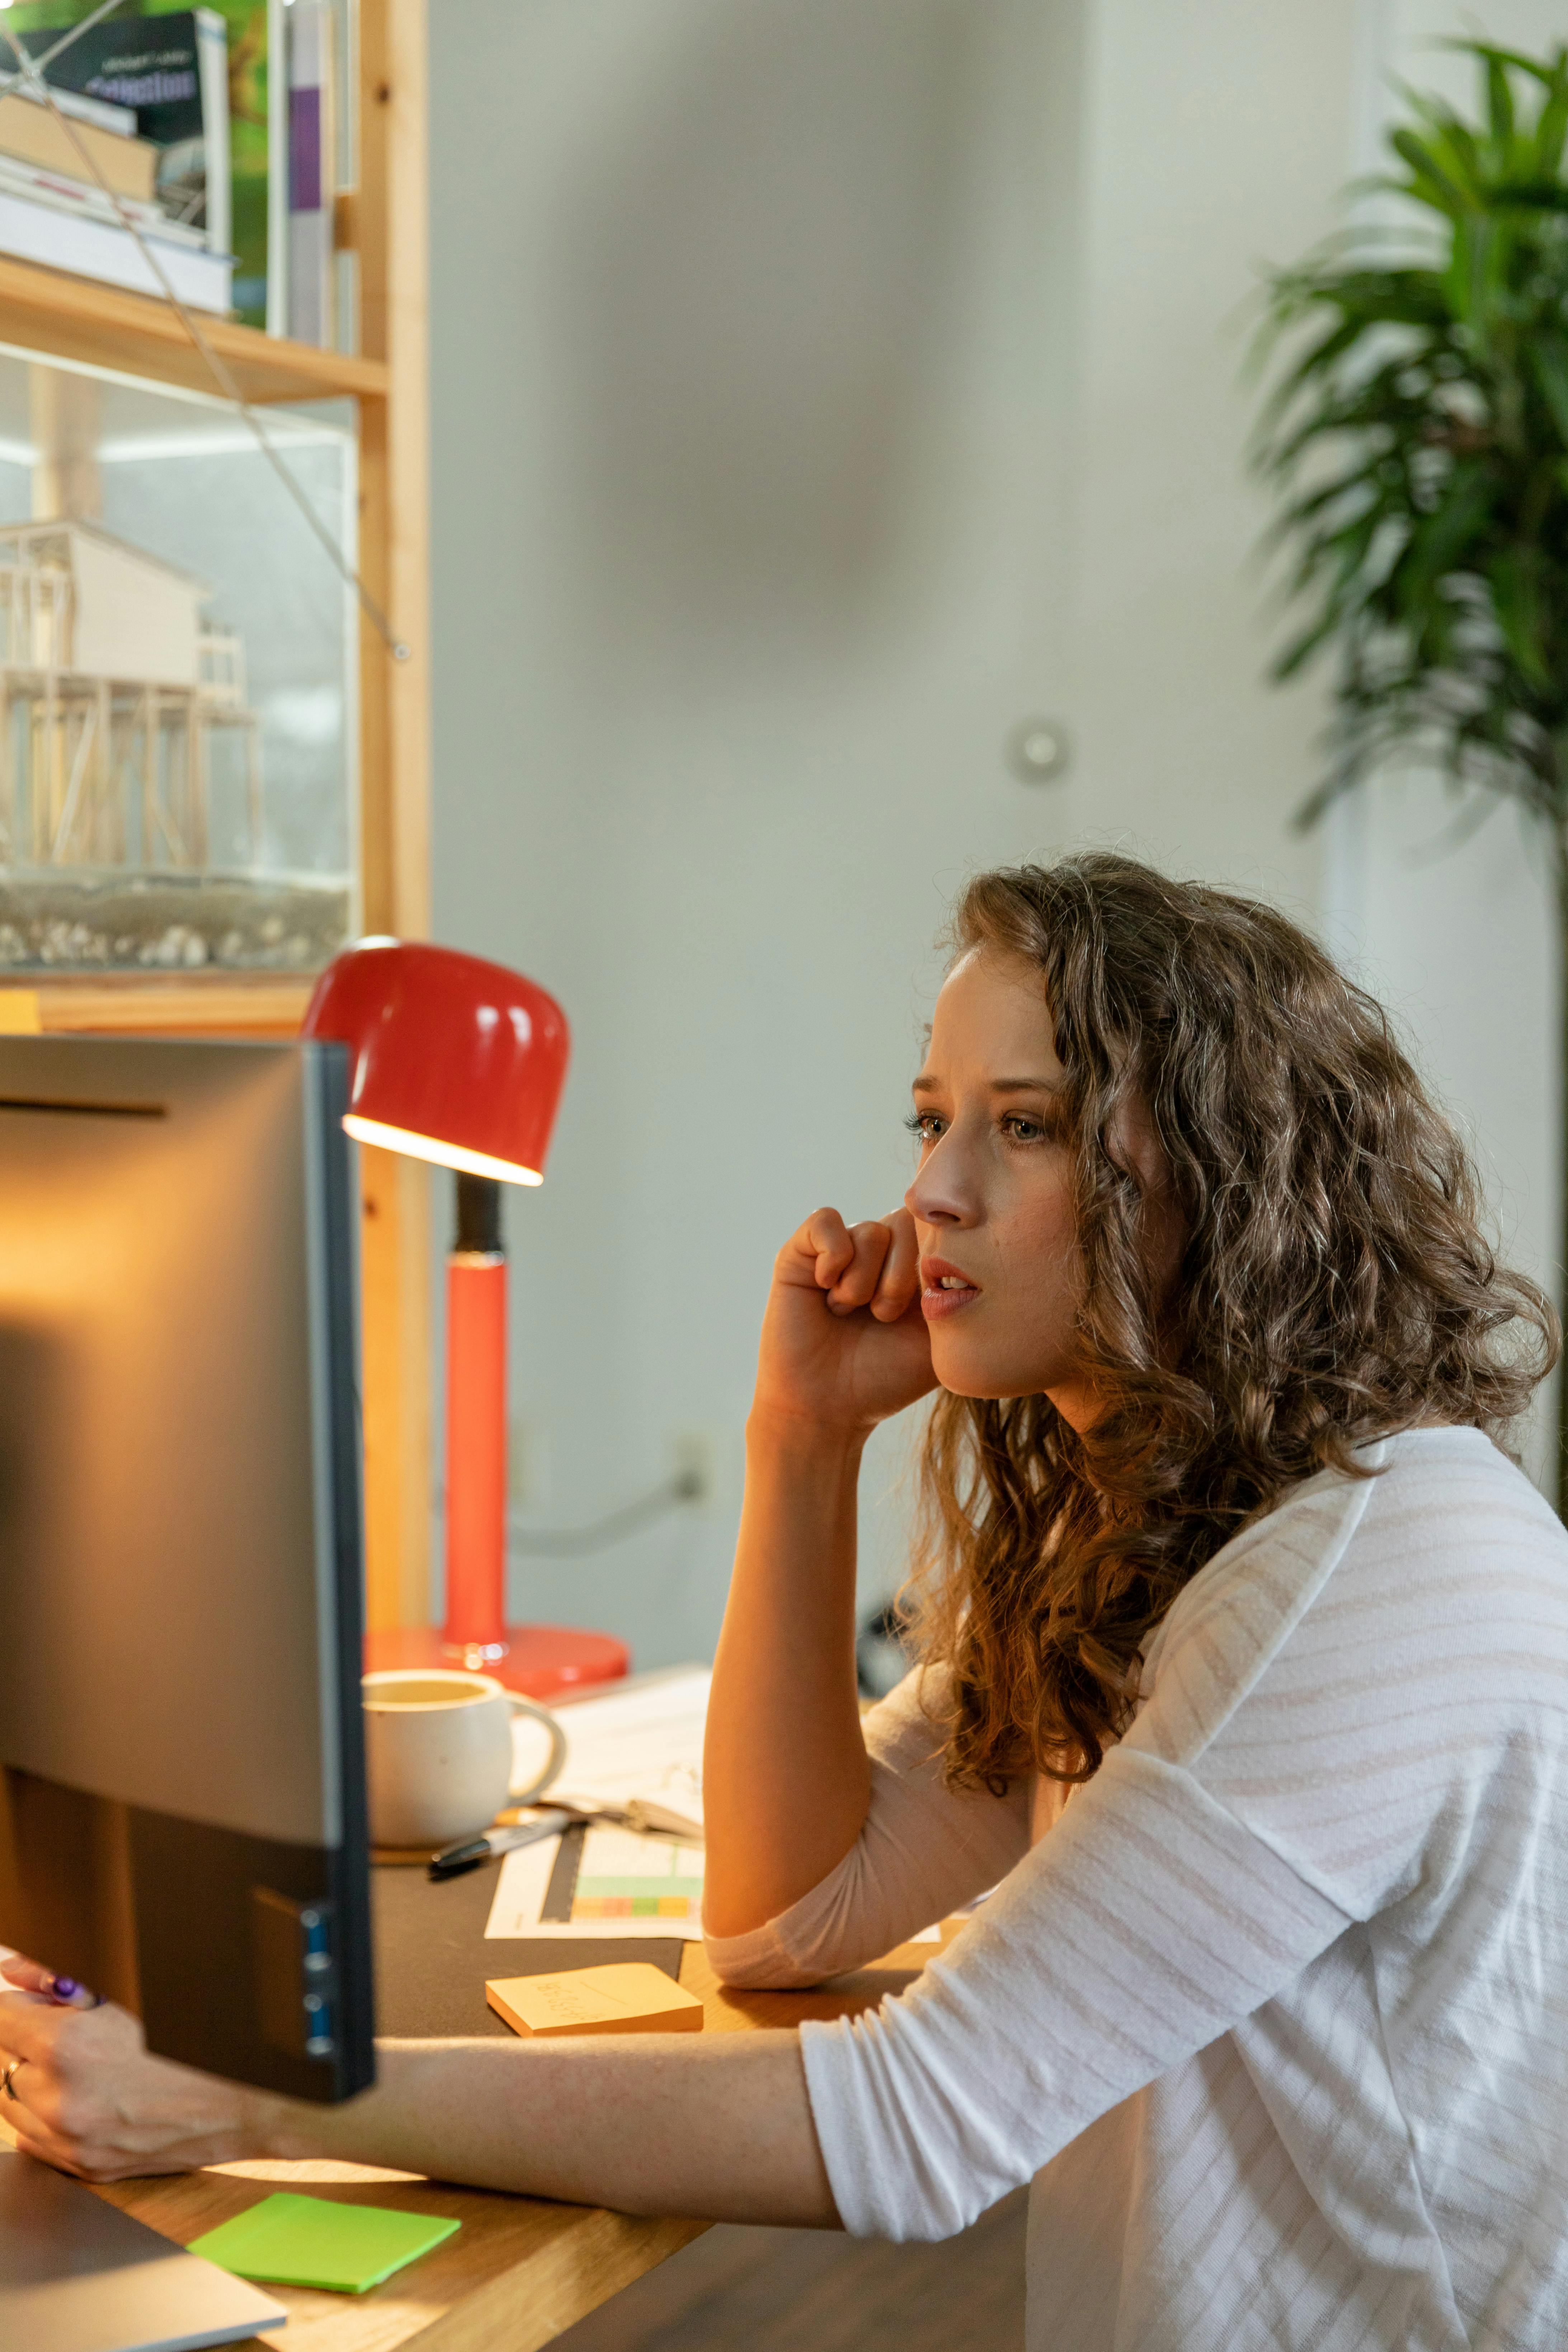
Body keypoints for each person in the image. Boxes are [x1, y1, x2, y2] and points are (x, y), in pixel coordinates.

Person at [4, 852, 1567, 2352]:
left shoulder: (1364, 1577)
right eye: (930, 1116)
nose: (931, 1190)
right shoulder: (1166, 1527)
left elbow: (920, 2120)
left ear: (1225, 1181)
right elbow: (784, 1917)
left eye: (1024, 1127)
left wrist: (270, 2084)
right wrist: (800, 1440)